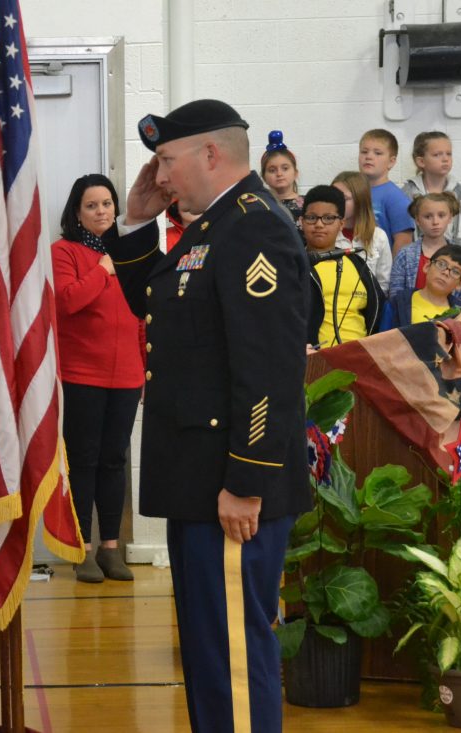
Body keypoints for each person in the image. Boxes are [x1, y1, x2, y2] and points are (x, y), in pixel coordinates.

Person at [111, 99, 311, 732]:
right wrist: (138, 219)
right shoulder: (211, 227)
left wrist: (246, 481)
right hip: (202, 483)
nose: (160, 177)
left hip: (232, 488)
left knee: (232, 657)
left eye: (166, 161)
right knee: (207, 650)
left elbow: (268, 368)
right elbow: (155, 299)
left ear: (209, 154)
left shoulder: (254, 226)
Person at [51, 174, 144, 583]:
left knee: (115, 460)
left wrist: (145, 367)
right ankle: (81, 550)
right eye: (92, 205)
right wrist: (104, 268)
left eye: (107, 204)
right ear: (77, 212)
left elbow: (143, 313)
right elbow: (67, 301)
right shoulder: (64, 251)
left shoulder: (130, 253)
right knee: (83, 461)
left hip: (127, 374)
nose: (102, 211)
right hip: (82, 373)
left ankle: (111, 547)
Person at [302, 185, 384, 348]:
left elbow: (377, 311)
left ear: (341, 223)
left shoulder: (357, 263)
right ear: (301, 221)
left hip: (360, 358)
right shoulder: (293, 265)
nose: (319, 224)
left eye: (328, 218)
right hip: (313, 360)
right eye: (312, 217)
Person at [390, 192, 461, 307]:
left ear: (450, 217)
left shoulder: (460, 257)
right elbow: (395, 293)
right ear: (417, 220)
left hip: (446, 320)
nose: (435, 222)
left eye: (441, 215)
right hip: (411, 318)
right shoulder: (406, 255)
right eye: (428, 216)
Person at [400, 131, 461, 253]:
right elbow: (403, 232)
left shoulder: (460, 193)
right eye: (437, 155)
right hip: (420, 262)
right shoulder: (408, 193)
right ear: (421, 161)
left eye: (448, 154)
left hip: (455, 264)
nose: (445, 159)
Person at [332, 170, 393, 294]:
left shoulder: (378, 236)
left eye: (344, 198)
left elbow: (383, 283)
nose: (336, 203)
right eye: (333, 197)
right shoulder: (327, 234)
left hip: (368, 306)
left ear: (360, 200)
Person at [383, 244, 461, 329]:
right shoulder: (397, 303)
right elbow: (381, 340)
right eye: (441, 264)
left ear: (460, 284)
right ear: (427, 266)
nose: (446, 273)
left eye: (455, 272)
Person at [357, 128, 415, 254]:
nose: (369, 157)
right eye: (364, 152)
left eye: (377, 153)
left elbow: (403, 243)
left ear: (391, 161)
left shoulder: (396, 199)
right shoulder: (352, 191)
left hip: (380, 270)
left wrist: (391, 273)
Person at [260, 130, 304, 224]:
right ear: (264, 177)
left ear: (295, 173)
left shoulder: (308, 205)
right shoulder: (261, 206)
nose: (279, 174)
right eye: (272, 170)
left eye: (285, 168)